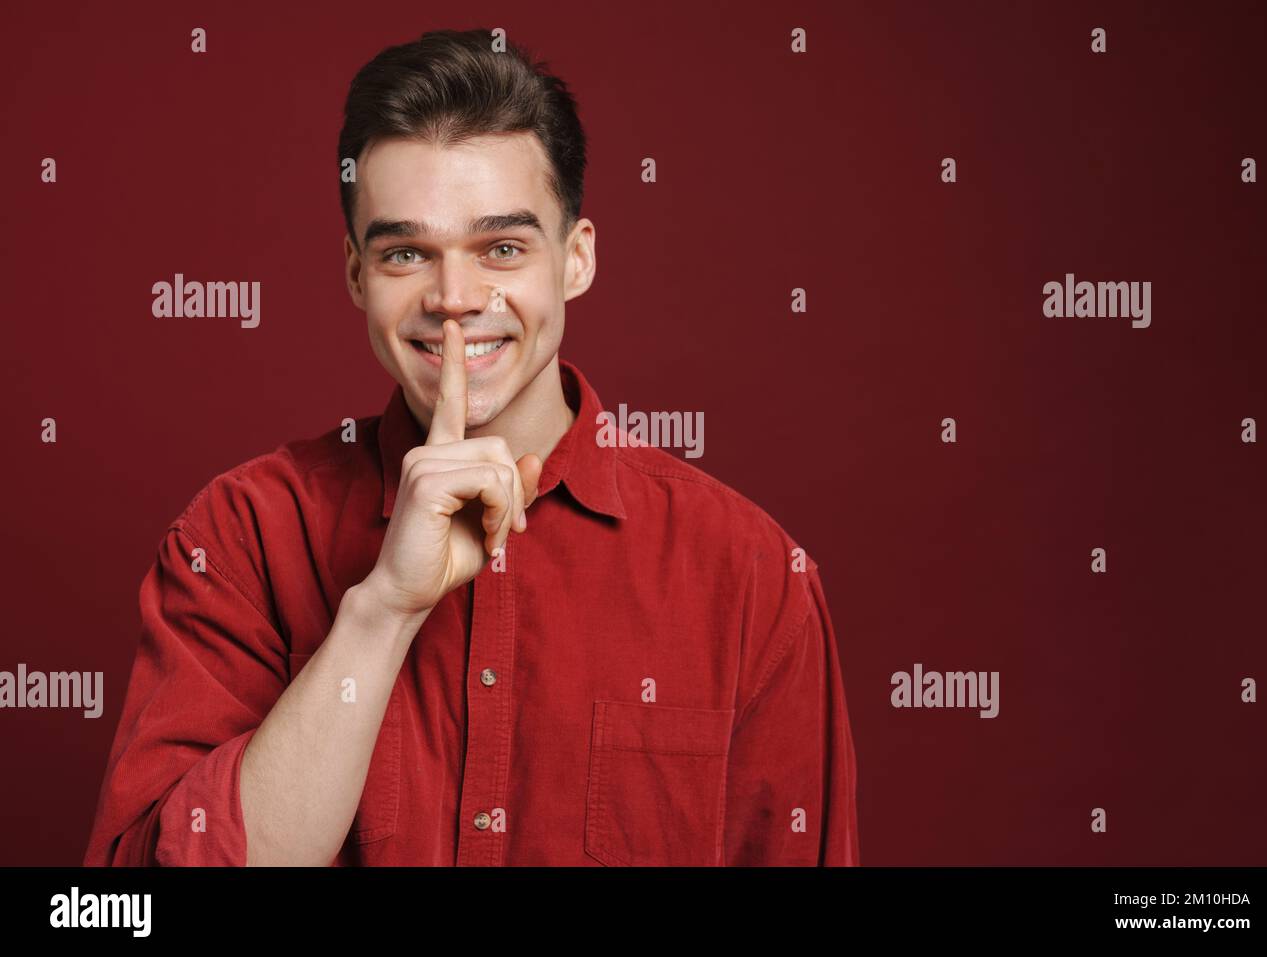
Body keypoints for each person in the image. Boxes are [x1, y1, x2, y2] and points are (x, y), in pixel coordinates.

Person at [83, 28, 859, 867]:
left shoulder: (751, 576)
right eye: (407, 252)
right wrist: (381, 611)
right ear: (356, 274)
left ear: (576, 260)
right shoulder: (238, 538)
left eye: (501, 248)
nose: (453, 299)